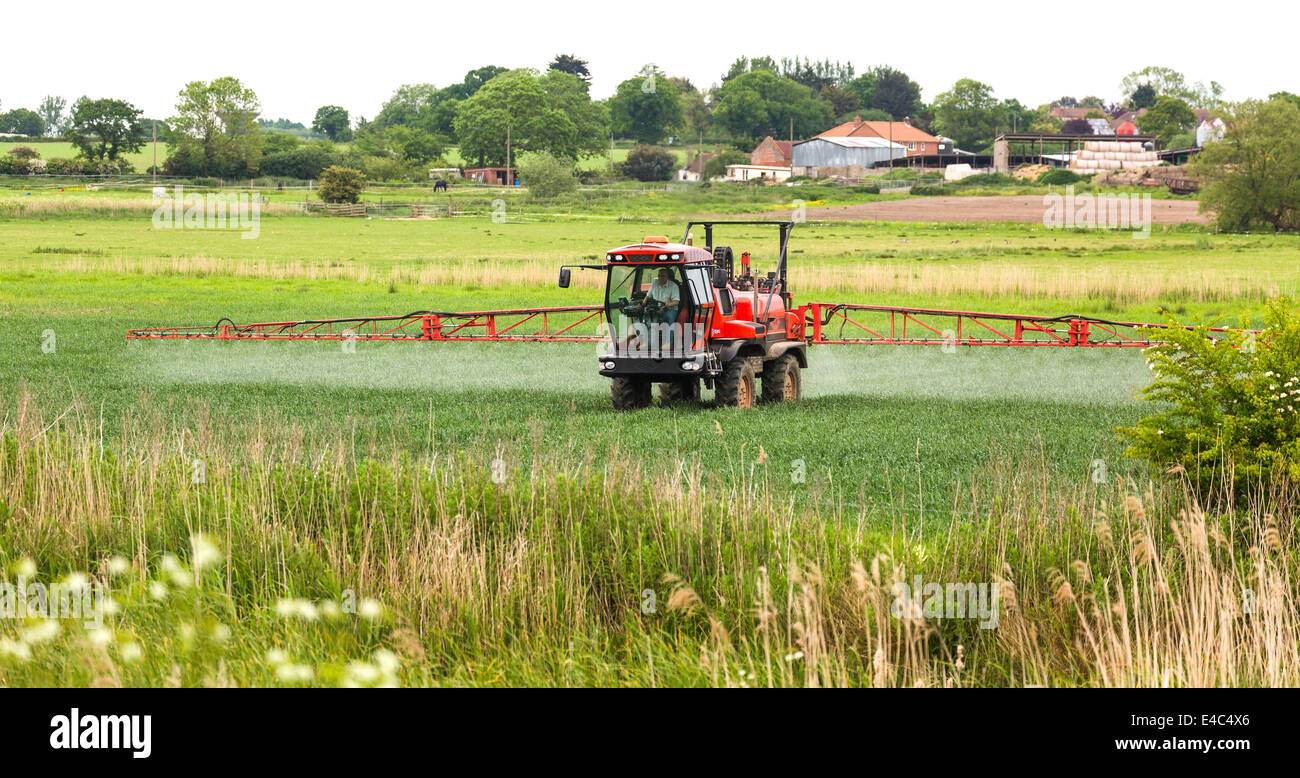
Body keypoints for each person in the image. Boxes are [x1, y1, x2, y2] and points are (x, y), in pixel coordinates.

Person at [645, 268, 680, 350]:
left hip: (670, 308)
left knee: (668, 318)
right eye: (659, 275)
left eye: (663, 276)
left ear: (668, 277)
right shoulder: (655, 283)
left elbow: (676, 301)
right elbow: (647, 296)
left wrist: (668, 304)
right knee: (647, 316)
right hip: (656, 308)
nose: (660, 278)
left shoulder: (673, 286)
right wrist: (642, 304)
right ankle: (647, 342)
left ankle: (669, 343)